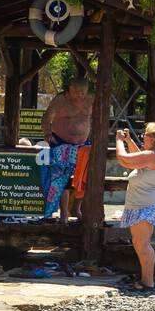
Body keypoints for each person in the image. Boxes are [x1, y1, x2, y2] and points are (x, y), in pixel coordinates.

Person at [115, 124, 155, 292]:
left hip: (147, 205)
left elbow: (124, 159)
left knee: (142, 243)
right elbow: (137, 157)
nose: (143, 137)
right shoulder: (153, 156)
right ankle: (146, 279)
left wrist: (118, 141)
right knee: (139, 242)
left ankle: (148, 282)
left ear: (152, 139)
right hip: (142, 204)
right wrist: (129, 140)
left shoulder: (154, 156)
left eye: (145, 135)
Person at [40, 76, 93, 219]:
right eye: (77, 92)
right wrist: (47, 133)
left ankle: (77, 208)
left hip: (83, 144)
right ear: (70, 89)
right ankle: (63, 212)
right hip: (61, 142)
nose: (80, 95)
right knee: (61, 176)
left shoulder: (92, 99)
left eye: (83, 92)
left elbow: (98, 119)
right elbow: (46, 118)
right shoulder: (60, 100)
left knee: (86, 176)